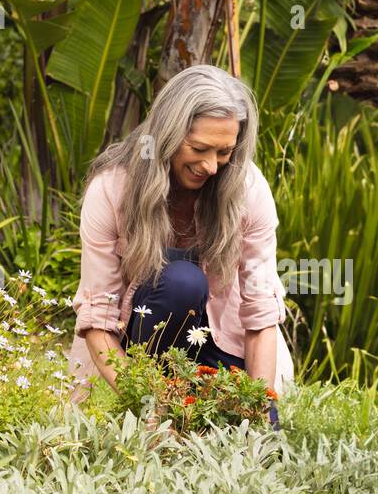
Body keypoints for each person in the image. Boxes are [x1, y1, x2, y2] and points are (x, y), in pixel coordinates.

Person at [67, 64, 292, 427]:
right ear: (168, 133)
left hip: (222, 346)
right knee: (182, 282)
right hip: (138, 357)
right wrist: (144, 402)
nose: (212, 166)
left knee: (249, 426)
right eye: (199, 148)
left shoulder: (247, 187)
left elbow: (260, 307)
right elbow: (98, 314)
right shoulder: (112, 189)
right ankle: (163, 409)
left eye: (224, 152)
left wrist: (260, 405)